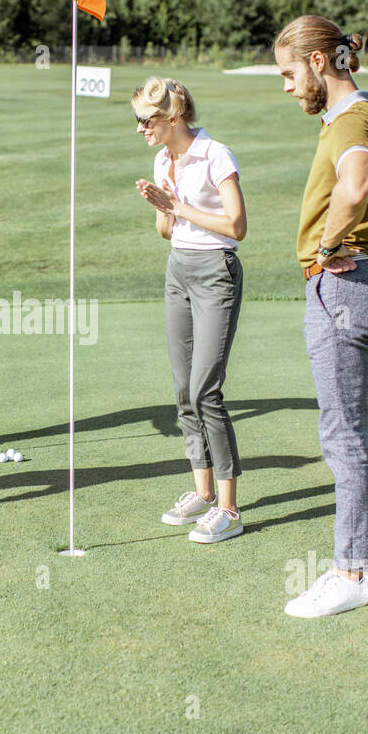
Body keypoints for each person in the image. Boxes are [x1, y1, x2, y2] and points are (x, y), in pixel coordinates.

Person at [271, 16, 368, 617]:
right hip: (366, 283)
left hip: (342, 282)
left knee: (343, 438)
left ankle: (350, 572)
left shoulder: (351, 121)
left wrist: (327, 248)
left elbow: (355, 186)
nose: (286, 86)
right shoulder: (362, 116)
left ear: (316, 62)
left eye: (288, 72)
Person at [132, 77, 247, 544]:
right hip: (177, 270)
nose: (141, 129)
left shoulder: (216, 154)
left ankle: (229, 509)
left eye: (147, 120)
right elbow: (166, 231)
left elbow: (237, 226)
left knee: (206, 392)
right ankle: (202, 492)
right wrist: (163, 207)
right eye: (138, 121)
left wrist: (178, 204)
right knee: (183, 390)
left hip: (216, 271)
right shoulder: (163, 158)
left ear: (173, 117)